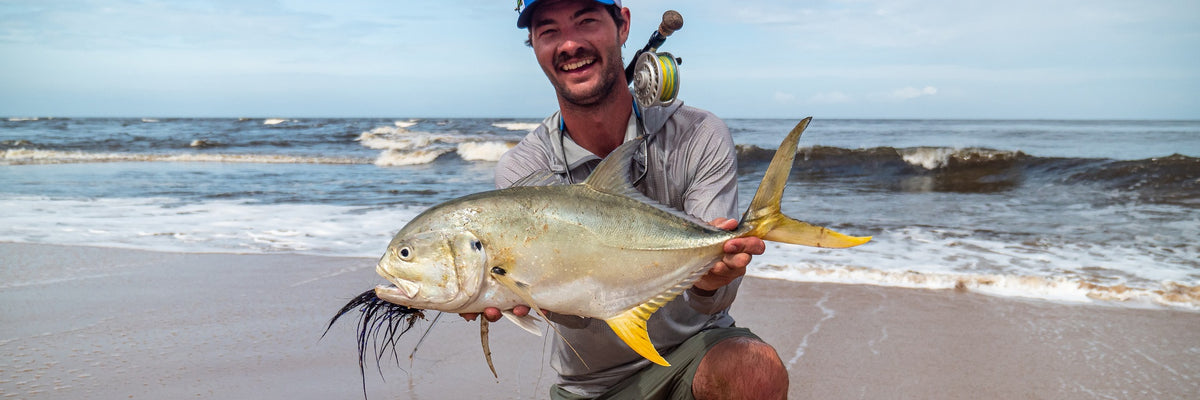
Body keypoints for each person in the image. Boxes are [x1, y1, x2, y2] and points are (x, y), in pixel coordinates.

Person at [464, 0, 788, 398]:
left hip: (697, 353)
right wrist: (511, 290)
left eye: (586, 21)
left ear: (623, 25)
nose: (569, 44)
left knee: (752, 370)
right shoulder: (524, 172)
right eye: (549, 31)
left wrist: (709, 280)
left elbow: (712, 299)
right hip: (590, 386)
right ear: (533, 45)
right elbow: (571, 313)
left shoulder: (698, 134)